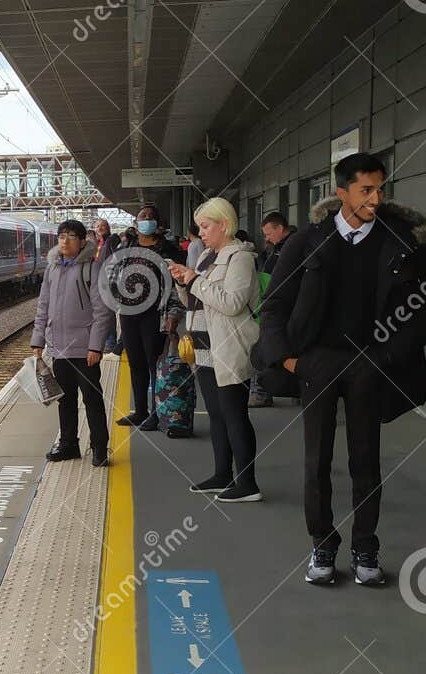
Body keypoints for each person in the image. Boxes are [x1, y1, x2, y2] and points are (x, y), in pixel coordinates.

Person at [261, 152, 426, 586]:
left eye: (381, 188)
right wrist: (290, 359)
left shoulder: (402, 242)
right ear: (341, 192)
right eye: (366, 189)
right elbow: (274, 307)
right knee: (316, 461)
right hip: (317, 362)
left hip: (371, 362)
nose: (376, 198)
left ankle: (366, 547)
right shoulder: (306, 242)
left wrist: (385, 357)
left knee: (366, 461)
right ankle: (322, 544)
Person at [169, 198, 262, 503]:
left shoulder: (240, 258)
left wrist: (195, 280)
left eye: (206, 226)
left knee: (234, 413)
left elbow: (232, 303)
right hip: (204, 343)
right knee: (216, 413)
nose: (202, 233)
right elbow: (193, 303)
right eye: (200, 227)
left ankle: (247, 482)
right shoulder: (208, 256)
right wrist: (184, 282)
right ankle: (222, 473)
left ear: (224, 224)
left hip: (230, 343)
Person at [31, 219, 111, 468]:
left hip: (85, 347)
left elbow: (103, 311)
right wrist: (38, 339)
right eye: (61, 236)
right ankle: (68, 444)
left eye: (70, 236)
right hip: (59, 346)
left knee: (91, 398)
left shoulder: (92, 268)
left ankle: (99, 446)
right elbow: (43, 306)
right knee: (64, 399)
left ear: (82, 240)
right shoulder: (53, 269)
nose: (64, 241)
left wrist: (96, 346)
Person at [106, 202, 185, 433]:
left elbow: (175, 287)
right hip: (130, 314)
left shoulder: (169, 251)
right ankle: (140, 410)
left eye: (151, 216)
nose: (146, 219)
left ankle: (155, 412)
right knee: (136, 361)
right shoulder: (126, 247)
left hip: (155, 314)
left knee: (154, 363)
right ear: (136, 222)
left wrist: (173, 314)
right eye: (143, 216)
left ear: (157, 224)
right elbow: (113, 275)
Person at [250, 211, 294, 408]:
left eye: (268, 233)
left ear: (279, 228)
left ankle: (262, 392)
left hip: (280, 306)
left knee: (265, 347)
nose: (266, 238)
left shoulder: (291, 247)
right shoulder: (278, 248)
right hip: (277, 304)